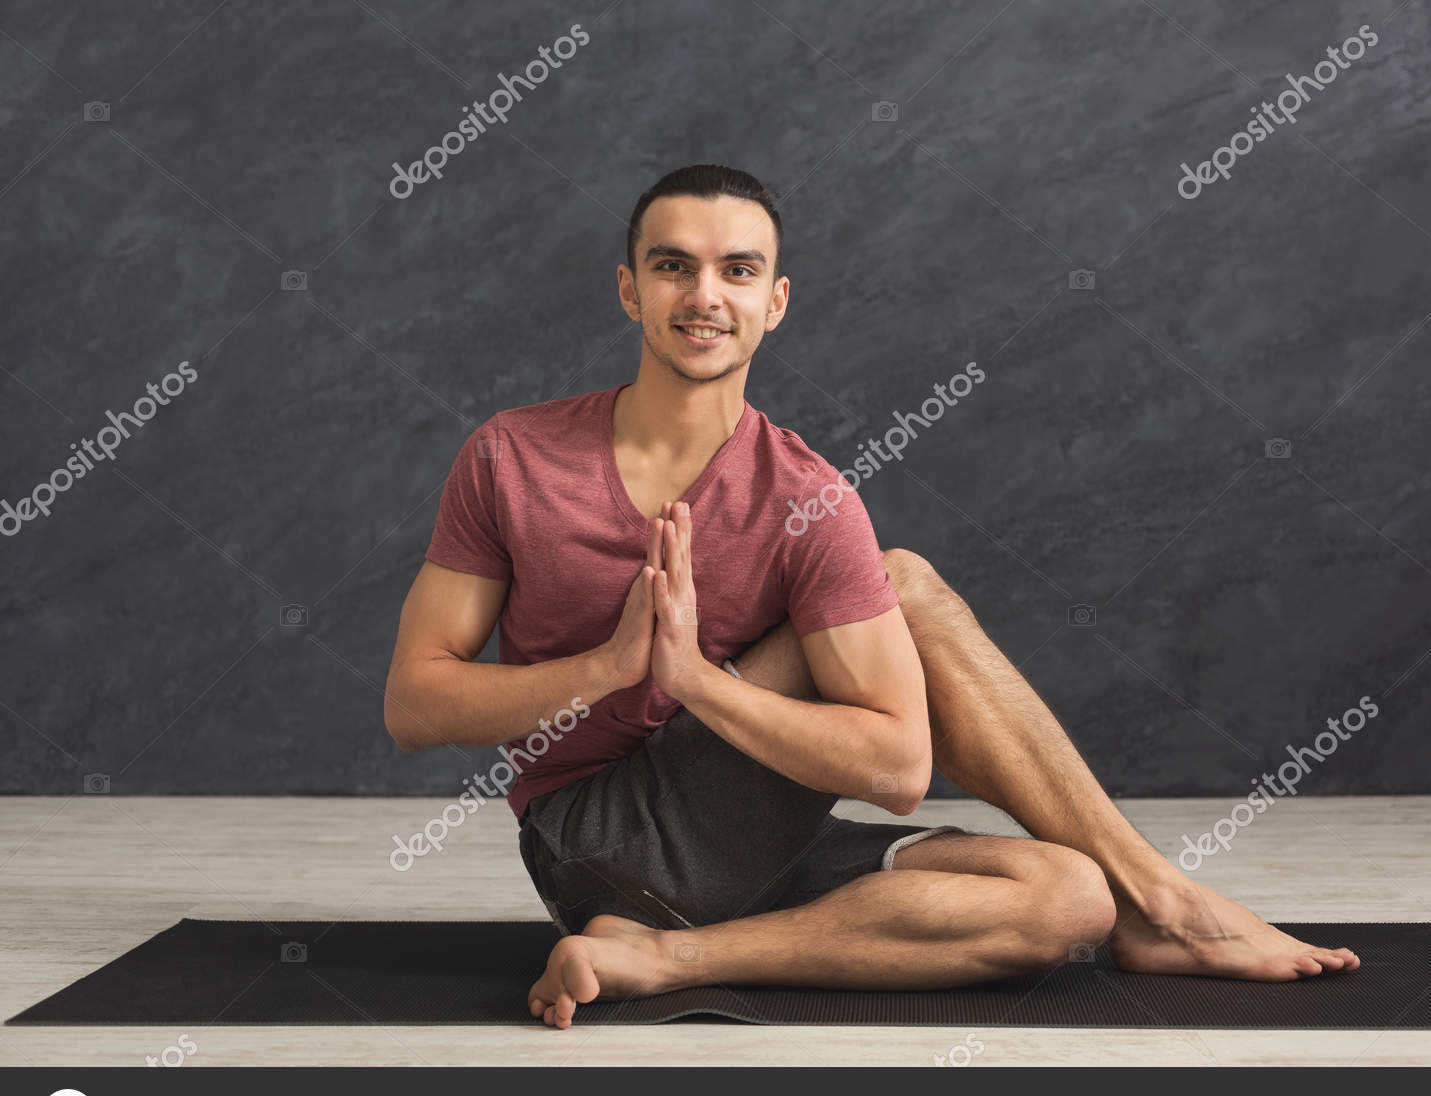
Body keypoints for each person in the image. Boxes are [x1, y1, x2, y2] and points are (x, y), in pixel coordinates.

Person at [383, 164, 1359, 1029]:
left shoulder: (808, 497)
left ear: (776, 302)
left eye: (738, 270)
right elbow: (414, 705)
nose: (704, 294)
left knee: (1067, 903)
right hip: (592, 841)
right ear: (630, 291)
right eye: (673, 266)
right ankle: (1169, 901)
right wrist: (609, 668)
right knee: (905, 586)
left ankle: (662, 957)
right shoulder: (511, 456)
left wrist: (697, 683)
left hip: (749, 849)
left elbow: (896, 768)